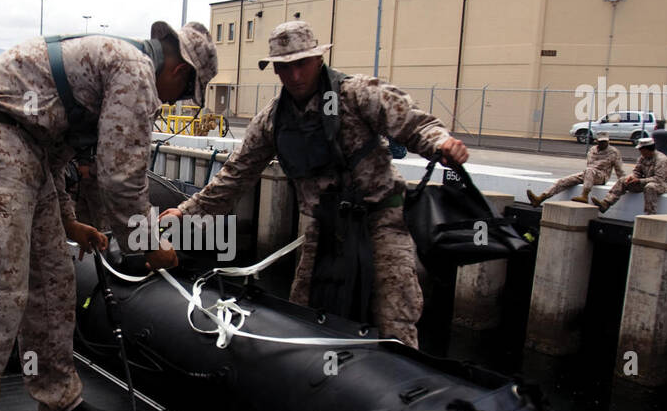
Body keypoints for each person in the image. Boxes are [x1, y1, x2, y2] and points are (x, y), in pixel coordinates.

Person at [0, 20, 216, 411]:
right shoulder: (136, 71)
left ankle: (59, 403)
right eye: (183, 96)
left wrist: (68, 220)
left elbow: (54, 153)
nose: (173, 102)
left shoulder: (116, 65)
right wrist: (147, 245)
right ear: (180, 73)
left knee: (52, 283)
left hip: (23, 150)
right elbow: (122, 177)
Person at [160, 21, 468, 348]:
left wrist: (441, 144)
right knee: (304, 309)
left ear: (319, 59)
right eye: (285, 67)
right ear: (275, 69)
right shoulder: (272, 121)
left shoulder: (357, 94)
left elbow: (411, 122)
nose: (294, 76)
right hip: (325, 226)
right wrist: (186, 212)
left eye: (301, 64)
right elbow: (236, 175)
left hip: (381, 220)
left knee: (394, 310)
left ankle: (402, 374)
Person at [527, 132, 624, 206]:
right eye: (601, 141)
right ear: (597, 141)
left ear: (608, 141)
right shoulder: (593, 149)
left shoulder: (614, 152)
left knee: (590, 170)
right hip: (588, 174)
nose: (603, 143)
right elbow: (589, 165)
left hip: (601, 176)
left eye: (605, 141)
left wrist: (624, 182)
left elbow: (619, 170)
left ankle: (584, 196)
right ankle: (540, 198)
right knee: (563, 181)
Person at [597, 136, 667, 216]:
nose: (640, 152)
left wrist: (639, 180)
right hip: (646, 181)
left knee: (650, 187)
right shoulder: (642, 158)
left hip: (664, 184)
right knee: (623, 180)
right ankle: (606, 203)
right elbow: (637, 171)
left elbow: (658, 179)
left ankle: (650, 214)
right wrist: (633, 177)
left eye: (642, 150)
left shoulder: (661, 160)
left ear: (647, 149)